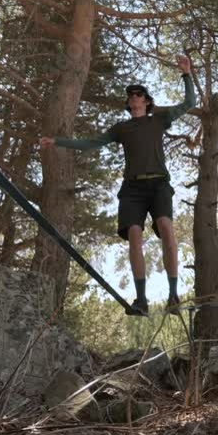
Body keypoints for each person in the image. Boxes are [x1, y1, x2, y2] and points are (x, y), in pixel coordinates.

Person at [40, 55, 197, 316]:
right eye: (131, 95)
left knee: (167, 229)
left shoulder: (159, 119)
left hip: (159, 185)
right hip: (132, 189)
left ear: (146, 101)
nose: (133, 97)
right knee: (134, 236)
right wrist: (57, 142)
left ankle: (172, 296)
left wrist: (186, 74)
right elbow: (91, 143)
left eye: (139, 94)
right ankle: (142, 300)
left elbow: (190, 103)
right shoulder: (121, 129)